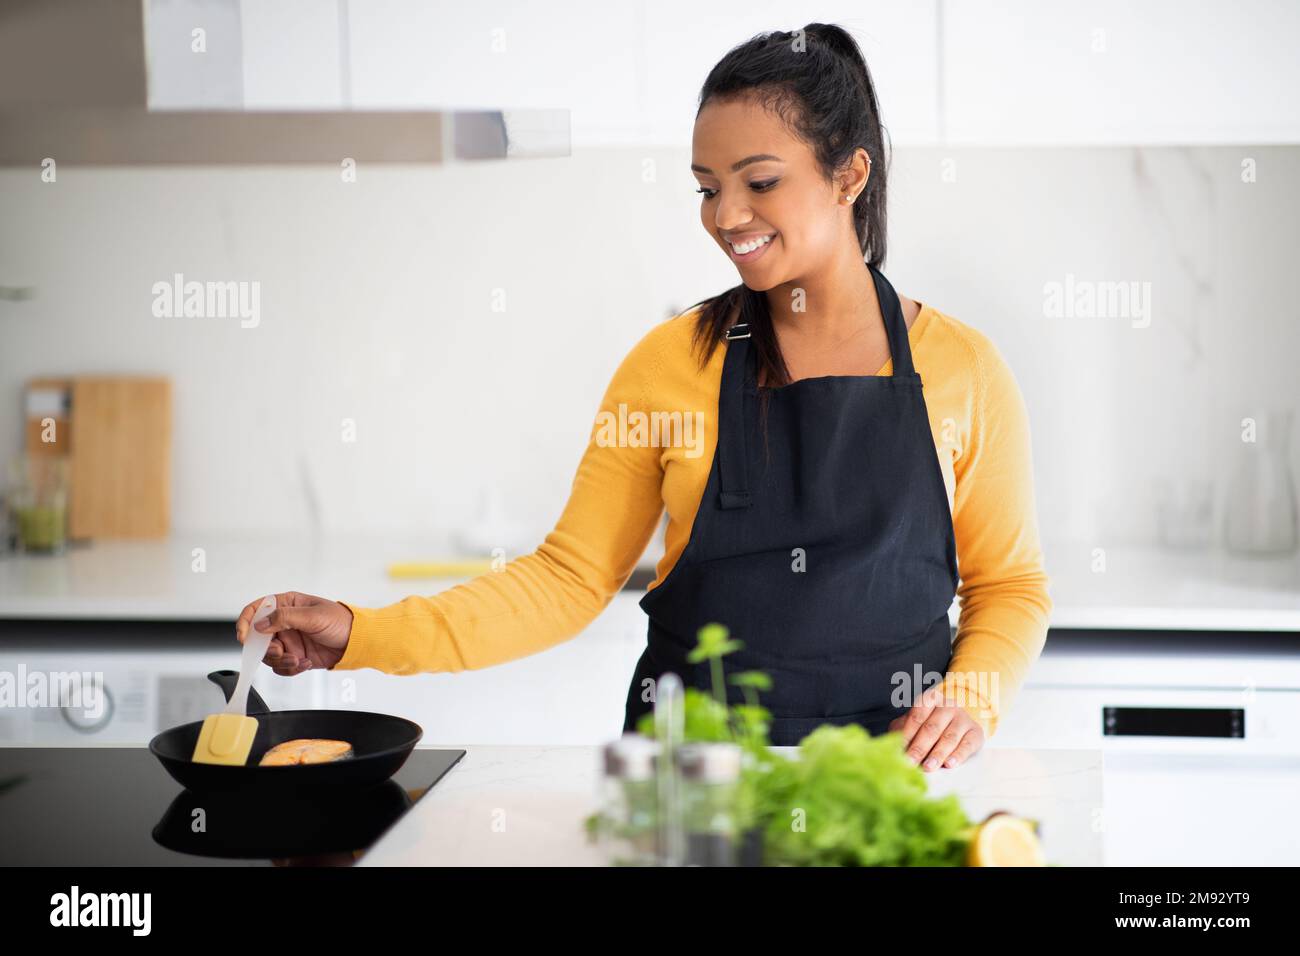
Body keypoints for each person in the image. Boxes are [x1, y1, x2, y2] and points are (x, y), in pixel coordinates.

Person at [236, 23, 1051, 771]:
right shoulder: (671, 363)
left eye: (758, 181)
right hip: (689, 781)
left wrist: (973, 696)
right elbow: (566, 580)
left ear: (850, 174)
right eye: (706, 188)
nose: (726, 215)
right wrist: (361, 633)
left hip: (888, 782)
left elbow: (1010, 584)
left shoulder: (966, 371)